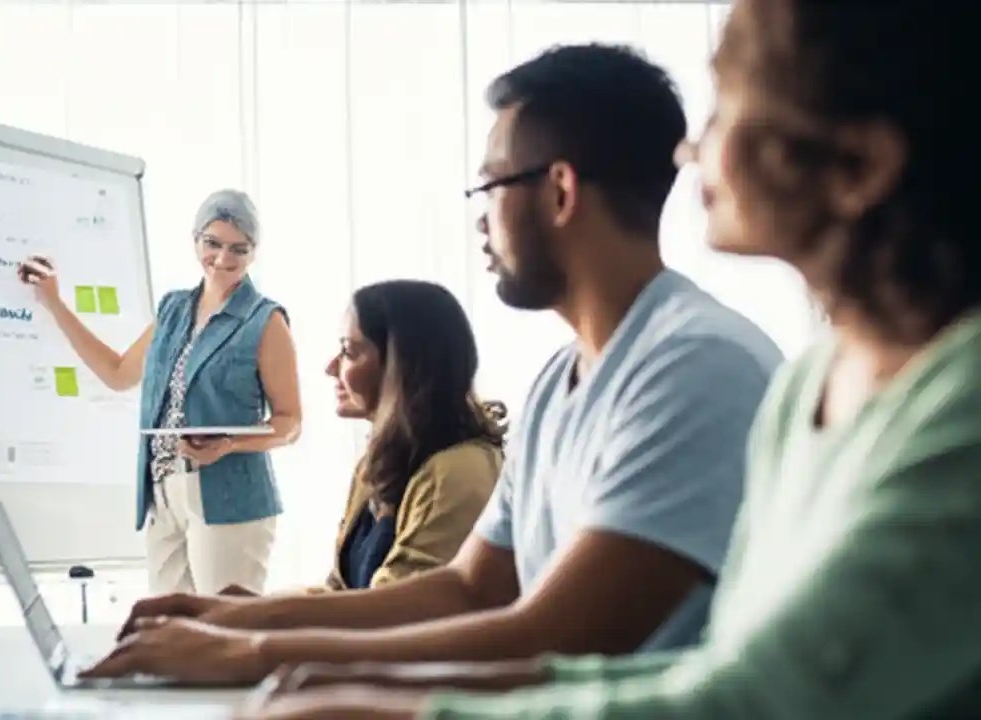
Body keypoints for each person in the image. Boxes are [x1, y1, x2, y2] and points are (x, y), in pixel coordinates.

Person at [245, 1, 981, 717]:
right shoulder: (809, 386)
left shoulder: (733, 369)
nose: (693, 151)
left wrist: (389, 702)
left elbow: (758, 699)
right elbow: (723, 661)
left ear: (860, 164)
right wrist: (306, 661)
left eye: (728, 108)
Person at [80, 44, 782, 684]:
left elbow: (547, 635)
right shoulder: (559, 382)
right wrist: (233, 617)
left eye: (491, 186)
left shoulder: (693, 368)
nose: (479, 217)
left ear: (560, 191)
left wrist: (258, 653)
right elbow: (472, 588)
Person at [20, 189, 302, 595]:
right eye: (213, 244)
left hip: (228, 497)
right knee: (170, 632)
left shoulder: (265, 320)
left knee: (223, 635)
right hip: (163, 491)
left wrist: (228, 442)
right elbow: (117, 373)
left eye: (238, 249)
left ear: (253, 253)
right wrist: (54, 304)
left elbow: (290, 422)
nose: (223, 259)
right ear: (195, 240)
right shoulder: (173, 309)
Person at [319, 280, 505, 592]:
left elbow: (398, 604)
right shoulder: (376, 462)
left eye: (349, 351)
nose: (330, 368)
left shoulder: (461, 470)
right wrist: (246, 610)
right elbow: (337, 591)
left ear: (401, 364)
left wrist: (259, 619)